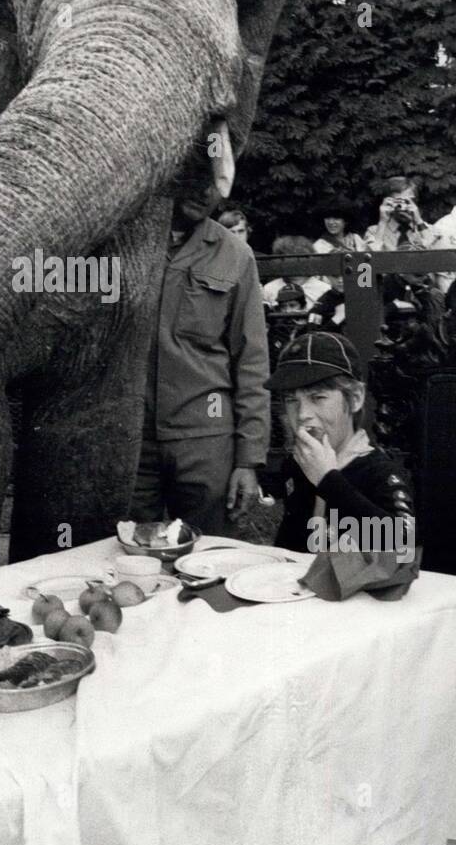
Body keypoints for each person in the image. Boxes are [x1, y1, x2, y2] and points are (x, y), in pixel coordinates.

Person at [131, 186, 270, 535]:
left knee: (208, 560)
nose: (204, 191)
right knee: (125, 557)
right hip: (131, 436)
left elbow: (252, 362)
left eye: (215, 182)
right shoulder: (127, 243)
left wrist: (247, 460)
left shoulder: (236, 255)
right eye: (195, 178)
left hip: (207, 438)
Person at [266, 331, 417, 600]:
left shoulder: (379, 472)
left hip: (362, 608)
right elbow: (291, 545)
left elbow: (404, 543)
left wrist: (328, 481)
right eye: (291, 400)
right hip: (301, 599)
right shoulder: (297, 465)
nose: (302, 416)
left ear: (355, 397)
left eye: (318, 398)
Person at [362, 175, 433, 253]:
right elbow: (370, 258)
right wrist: (382, 222)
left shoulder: (427, 230)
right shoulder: (374, 231)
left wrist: (419, 221)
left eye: (407, 201)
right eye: (398, 202)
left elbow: (438, 254)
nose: (402, 206)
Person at [260, 236, 331, 311]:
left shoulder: (324, 289)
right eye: (283, 258)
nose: (288, 262)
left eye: (294, 258)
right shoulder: (269, 288)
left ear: (306, 260)